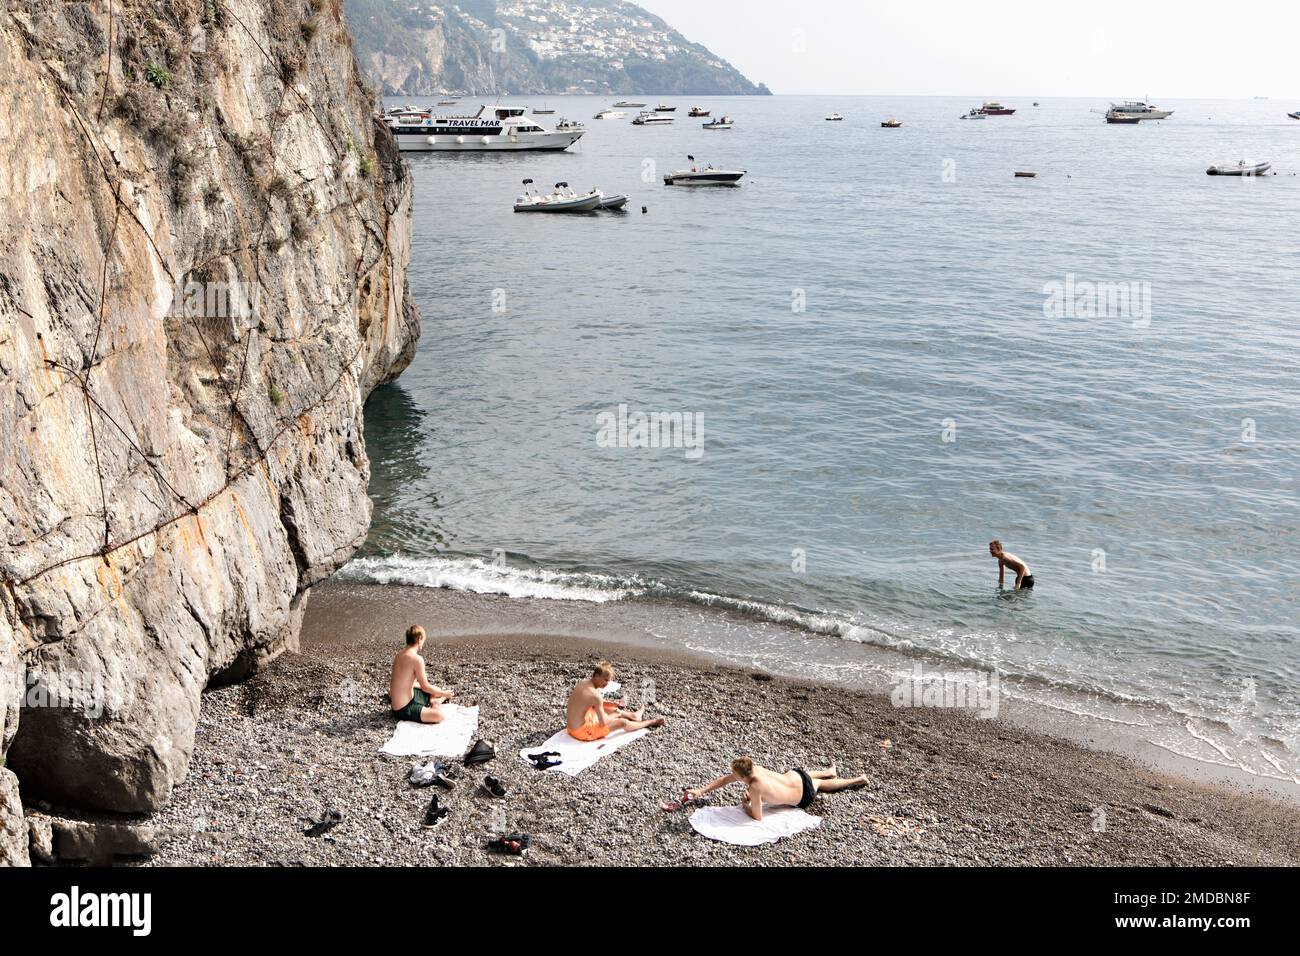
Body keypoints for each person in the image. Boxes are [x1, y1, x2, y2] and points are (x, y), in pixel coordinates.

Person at [686, 758, 867, 821]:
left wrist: (745, 805)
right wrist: (701, 791)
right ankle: (828, 772)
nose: (732, 776)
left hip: (803, 795)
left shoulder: (755, 787)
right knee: (799, 775)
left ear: (742, 777)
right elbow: (726, 780)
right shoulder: (754, 769)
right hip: (796, 775)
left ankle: (856, 780)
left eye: (735, 775)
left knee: (817, 784)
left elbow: (758, 817)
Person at [565, 661, 664, 741]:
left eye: (608, 680)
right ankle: (650, 722)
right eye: (605, 680)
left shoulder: (583, 683)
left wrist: (610, 703)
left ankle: (634, 716)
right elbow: (603, 723)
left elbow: (592, 702)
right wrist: (616, 715)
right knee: (622, 722)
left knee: (606, 707)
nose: (607, 683)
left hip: (571, 728)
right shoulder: (596, 696)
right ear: (596, 676)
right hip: (582, 732)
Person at [390, 625, 454, 723]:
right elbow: (425, 686)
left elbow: (407, 682)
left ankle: (433, 698)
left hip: (397, 703)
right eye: (423, 639)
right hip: (403, 709)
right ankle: (435, 703)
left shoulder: (399, 654)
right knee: (439, 716)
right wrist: (443, 694)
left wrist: (434, 691)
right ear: (419, 639)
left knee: (433, 690)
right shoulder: (416, 659)